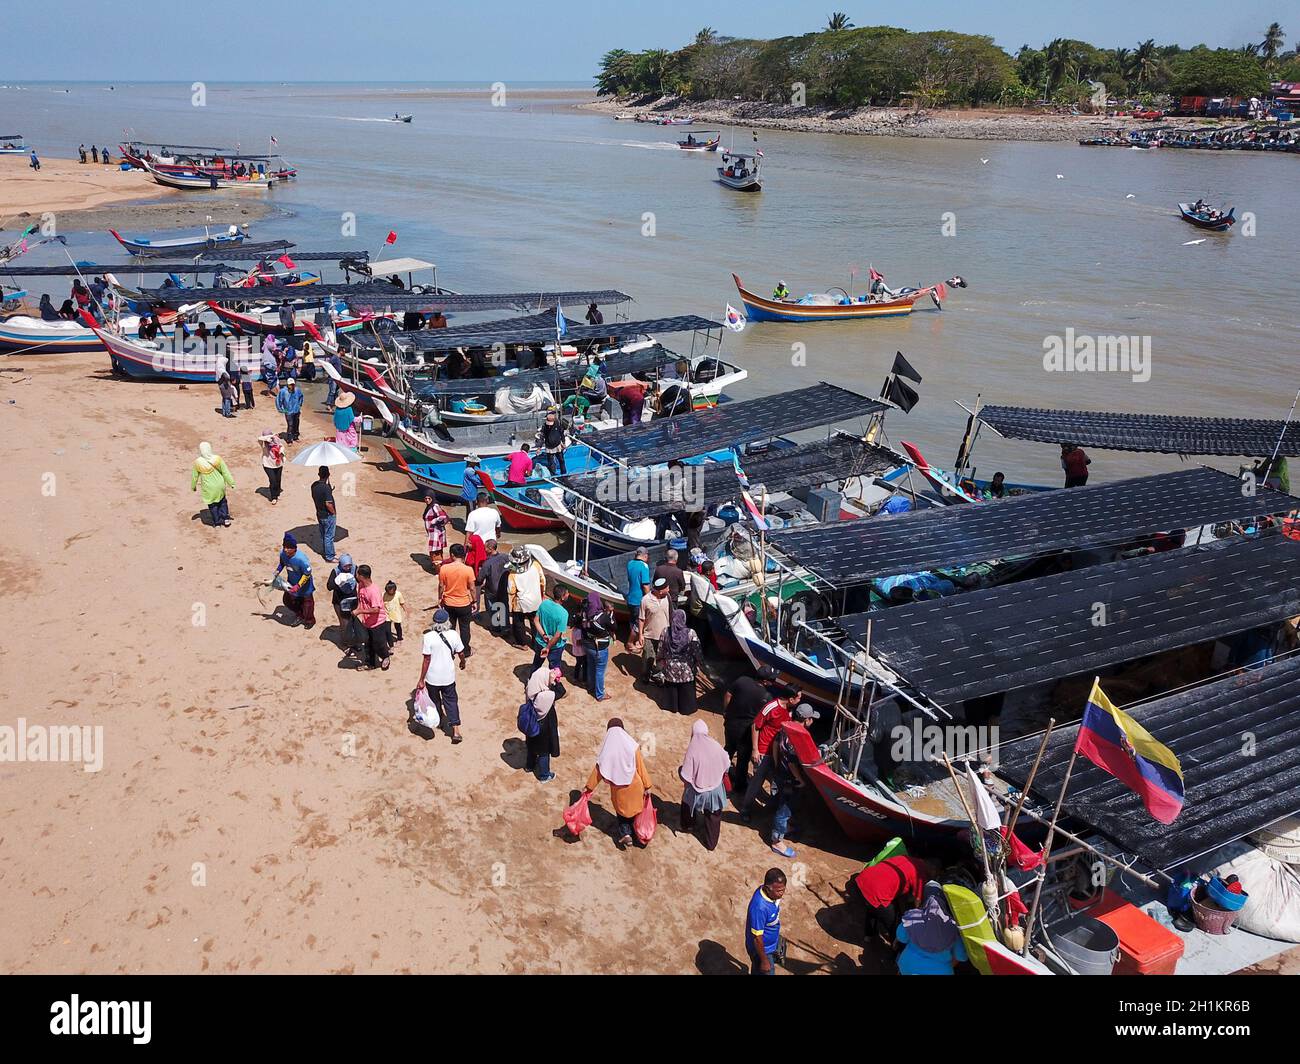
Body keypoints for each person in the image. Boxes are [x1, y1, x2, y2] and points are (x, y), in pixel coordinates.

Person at [583, 719, 653, 849]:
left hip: (619, 791)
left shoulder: (607, 751)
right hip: (635, 787)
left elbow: (598, 772)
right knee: (636, 812)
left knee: (622, 815)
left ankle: (626, 834)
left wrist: (589, 787)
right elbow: (641, 768)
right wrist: (647, 785)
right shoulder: (632, 746)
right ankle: (638, 833)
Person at [739, 687, 807, 817]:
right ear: (791, 699)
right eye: (798, 698)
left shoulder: (791, 711)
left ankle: (772, 809)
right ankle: (745, 809)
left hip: (779, 753)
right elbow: (756, 725)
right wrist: (755, 749)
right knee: (756, 783)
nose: (800, 700)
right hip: (764, 752)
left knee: (777, 781)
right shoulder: (771, 707)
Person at [851, 855, 933, 946]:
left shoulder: (906, 857)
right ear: (934, 870)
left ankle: (868, 935)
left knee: (872, 908)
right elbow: (918, 901)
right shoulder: (921, 873)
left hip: (862, 879)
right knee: (893, 924)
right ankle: (897, 950)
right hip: (876, 892)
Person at [414, 608, 465, 743]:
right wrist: (462, 662)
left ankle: (440, 720)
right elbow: (460, 652)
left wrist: (421, 679)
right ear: (447, 621)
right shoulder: (453, 634)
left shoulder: (428, 637)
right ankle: (456, 730)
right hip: (448, 676)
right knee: (451, 701)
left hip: (432, 677)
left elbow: (426, 660)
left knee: (435, 700)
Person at [723, 667, 777, 793]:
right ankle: (740, 786)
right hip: (746, 732)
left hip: (731, 724)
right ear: (765, 682)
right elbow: (762, 721)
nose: (773, 682)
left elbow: (728, 695)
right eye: (772, 680)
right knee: (743, 759)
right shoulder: (766, 697)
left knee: (728, 749)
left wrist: (726, 711)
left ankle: (719, 773)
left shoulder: (742, 681)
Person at [679, 721, 729, 851]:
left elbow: (685, 775)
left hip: (697, 792)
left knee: (687, 802)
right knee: (714, 815)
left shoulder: (693, 748)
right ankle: (711, 843)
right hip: (715, 791)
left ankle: (688, 825)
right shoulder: (716, 745)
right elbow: (727, 763)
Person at [896, 883, 966, 975]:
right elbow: (961, 956)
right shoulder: (953, 927)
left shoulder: (913, 917)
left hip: (908, 966)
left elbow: (901, 937)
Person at [657, 608, 702, 715]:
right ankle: (686, 708)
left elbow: (660, 648)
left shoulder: (665, 631)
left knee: (671, 687)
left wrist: (660, 660)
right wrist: (699, 662)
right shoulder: (691, 633)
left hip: (670, 668)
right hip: (686, 669)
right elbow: (697, 650)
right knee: (686, 689)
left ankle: (671, 706)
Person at [523, 664, 562, 781]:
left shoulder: (530, 688)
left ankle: (529, 766)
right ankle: (544, 775)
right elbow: (563, 692)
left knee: (531, 746)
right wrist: (554, 682)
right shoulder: (546, 695)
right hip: (544, 726)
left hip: (531, 722)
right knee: (544, 751)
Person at [438, 543, 476, 657]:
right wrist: (474, 601)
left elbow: (441, 586)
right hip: (464, 603)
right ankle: (465, 650)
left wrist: (440, 598)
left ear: (452, 555)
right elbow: (472, 588)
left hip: (449, 603)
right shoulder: (468, 570)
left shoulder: (444, 568)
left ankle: (451, 649)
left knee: (450, 628)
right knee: (465, 628)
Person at [746, 869, 787, 975]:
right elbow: (757, 938)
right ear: (768, 888)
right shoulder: (759, 907)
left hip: (769, 946)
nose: (782, 894)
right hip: (762, 951)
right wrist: (764, 961)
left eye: (783, 889)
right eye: (779, 891)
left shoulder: (770, 894)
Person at [352, 564, 392, 671]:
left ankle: (385, 657)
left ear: (362, 576)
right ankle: (370, 663)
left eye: (357, 573)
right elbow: (361, 600)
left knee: (379, 643)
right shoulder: (360, 585)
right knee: (368, 644)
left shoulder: (373, 591)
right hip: (367, 622)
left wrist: (360, 611)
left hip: (377, 623)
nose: (355, 574)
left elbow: (376, 609)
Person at [275, 533, 316, 628]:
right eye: (284, 547)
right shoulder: (283, 554)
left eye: (289, 548)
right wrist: (277, 572)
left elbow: (307, 574)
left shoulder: (301, 559)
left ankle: (310, 620)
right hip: (290, 583)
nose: (286, 550)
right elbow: (282, 563)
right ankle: (300, 615)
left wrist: (298, 586)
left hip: (305, 587)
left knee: (308, 605)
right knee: (288, 601)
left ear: (294, 548)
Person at [508, 546, 546, 647]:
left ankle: (521, 644)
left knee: (518, 624)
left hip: (520, 604)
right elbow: (543, 582)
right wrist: (542, 595)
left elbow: (510, 591)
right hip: (536, 600)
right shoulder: (536, 565)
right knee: (535, 622)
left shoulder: (512, 574)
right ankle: (535, 642)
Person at [191, 442, 235, 527]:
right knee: (222, 502)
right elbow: (225, 472)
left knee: (212, 505)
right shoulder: (217, 459)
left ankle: (217, 522)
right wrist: (231, 483)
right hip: (220, 485)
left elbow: (194, 476)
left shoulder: (198, 462)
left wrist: (193, 486)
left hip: (208, 488)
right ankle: (226, 519)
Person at [637, 578, 672, 678]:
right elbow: (641, 619)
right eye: (667, 588)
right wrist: (640, 635)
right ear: (660, 591)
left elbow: (670, 614)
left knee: (661, 659)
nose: (669, 590)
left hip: (664, 635)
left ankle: (657, 676)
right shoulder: (645, 600)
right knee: (648, 657)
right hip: (649, 635)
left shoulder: (667, 597)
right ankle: (645, 676)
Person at [326, 554, 360, 657]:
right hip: (339, 601)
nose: (348, 568)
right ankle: (345, 645)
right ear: (341, 564)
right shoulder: (336, 571)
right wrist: (340, 581)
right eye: (346, 566)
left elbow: (361, 580)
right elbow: (329, 586)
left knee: (353, 621)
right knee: (344, 624)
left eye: (349, 565)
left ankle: (354, 642)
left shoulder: (355, 569)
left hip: (352, 599)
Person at [476, 539, 511, 638]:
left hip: (492, 589)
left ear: (490, 549)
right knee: (503, 608)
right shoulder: (505, 557)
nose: (484, 549)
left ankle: (496, 627)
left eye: (485, 547)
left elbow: (480, 578)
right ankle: (505, 628)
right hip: (504, 588)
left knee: (493, 609)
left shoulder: (487, 563)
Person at [583, 592, 613, 702]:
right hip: (599, 648)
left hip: (587, 645)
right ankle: (600, 694)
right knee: (600, 670)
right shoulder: (603, 617)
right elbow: (614, 626)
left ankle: (591, 687)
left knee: (591, 666)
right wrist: (610, 612)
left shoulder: (585, 613)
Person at [533, 584, 569, 672]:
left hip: (540, 641)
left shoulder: (544, 603)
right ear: (562, 597)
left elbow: (536, 621)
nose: (568, 594)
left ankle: (530, 682)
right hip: (555, 647)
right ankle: (555, 685)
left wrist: (543, 635)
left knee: (536, 665)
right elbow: (557, 635)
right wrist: (548, 647)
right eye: (567, 593)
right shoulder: (563, 613)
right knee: (554, 669)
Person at [625, 546, 652, 651]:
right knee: (638, 623)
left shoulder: (630, 563)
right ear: (645, 556)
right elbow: (645, 585)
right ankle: (630, 643)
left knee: (632, 620)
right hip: (638, 599)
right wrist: (649, 598)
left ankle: (634, 639)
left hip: (630, 597)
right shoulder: (644, 566)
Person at [311, 466, 337, 563]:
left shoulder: (314, 485)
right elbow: (328, 503)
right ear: (328, 475)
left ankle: (326, 551)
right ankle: (329, 556)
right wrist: (333, 512)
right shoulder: (326, 488)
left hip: (319, 513)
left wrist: (329, 489)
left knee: (323, 534)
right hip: (327, 514)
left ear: (319, 474)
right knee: (329, 536)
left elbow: (319, 495)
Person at [533, 411, 568, 476]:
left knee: (561, 460)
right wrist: (539, 447)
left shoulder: (558, 424)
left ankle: (564, 474)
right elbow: (542, 437)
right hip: (549, 447)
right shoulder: (544, 426)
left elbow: (562, 434)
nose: (549, 425)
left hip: (557, 445)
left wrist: (563, 442)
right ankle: (553, 475)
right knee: (551, 463)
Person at [422, 492, 450, 568]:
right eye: (426, 498)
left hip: (435, 532)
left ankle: (439, 568)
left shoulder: (434, 506)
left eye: (429, 498)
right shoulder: (430, 507)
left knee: (434, 551)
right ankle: (438, 566)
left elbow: (442, 516)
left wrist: (434, 521)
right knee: (438, 549)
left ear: (432, 498)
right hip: (434, 532)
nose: (427, 500)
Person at [257, 430, 284, 504]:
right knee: (273, 481)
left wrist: (281, 451)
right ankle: (274, 497)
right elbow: (259, 438)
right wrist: (268, 437)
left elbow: (282, 447)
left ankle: (277, 493)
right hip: (268, 465)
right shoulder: (263, 444)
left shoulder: (277, 441)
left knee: (278, 480)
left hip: (278, 464)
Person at [276, 377, 303, 442]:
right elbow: (278, 400)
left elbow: (301, 397)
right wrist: (281, 409)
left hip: (296, 411)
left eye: (293, 384)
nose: (292, 386)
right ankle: (289, 440)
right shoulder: (283, 391)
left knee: (296, 424)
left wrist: (299, 405)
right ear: (287, 385)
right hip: (288, 412)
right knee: (290, 425)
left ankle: (295, 437)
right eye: (290, 384)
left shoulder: (297, 390)